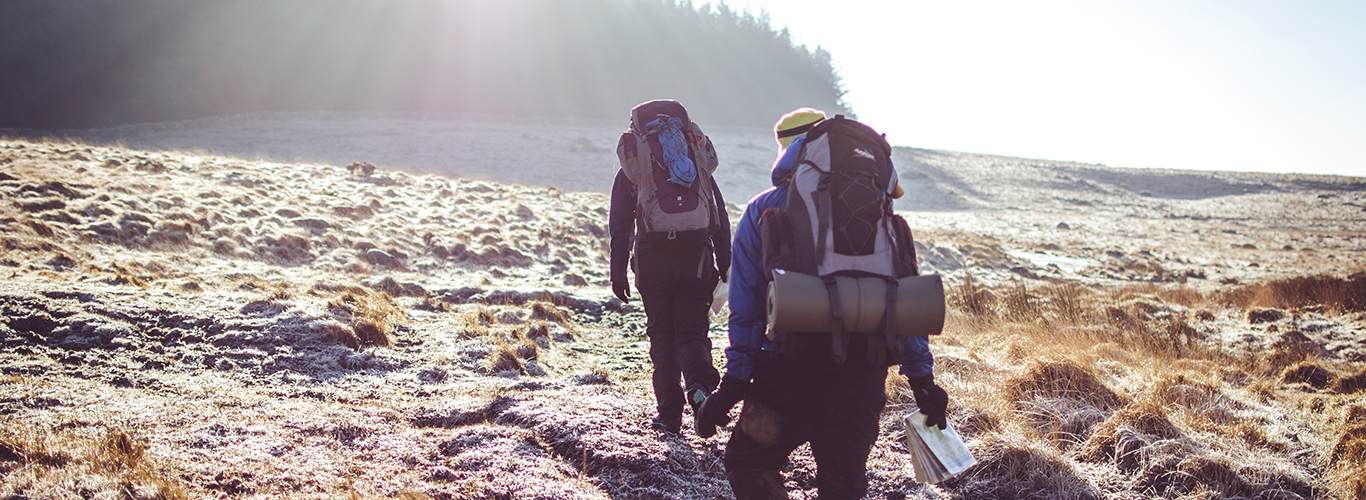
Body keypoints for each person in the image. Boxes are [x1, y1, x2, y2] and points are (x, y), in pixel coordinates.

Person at [698, 108, 949, 499]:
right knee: (843, 486)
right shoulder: (885, 220)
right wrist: (922, 382)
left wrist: (734, 381)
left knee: (750, 464)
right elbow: (903, 303)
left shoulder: (765, 208)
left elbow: (746, 306)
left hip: (788, 376)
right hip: (863, 379)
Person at [609, 100, 732, 435]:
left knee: (662, 335)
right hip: (697, 258)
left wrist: (618, 271)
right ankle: (700, 390)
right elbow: (717, 215)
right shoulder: (695, 163)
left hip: (651, 260)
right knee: (693, 333)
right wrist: (725, 262)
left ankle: (669, 414)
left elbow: (620, 223)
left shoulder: (635, 167)